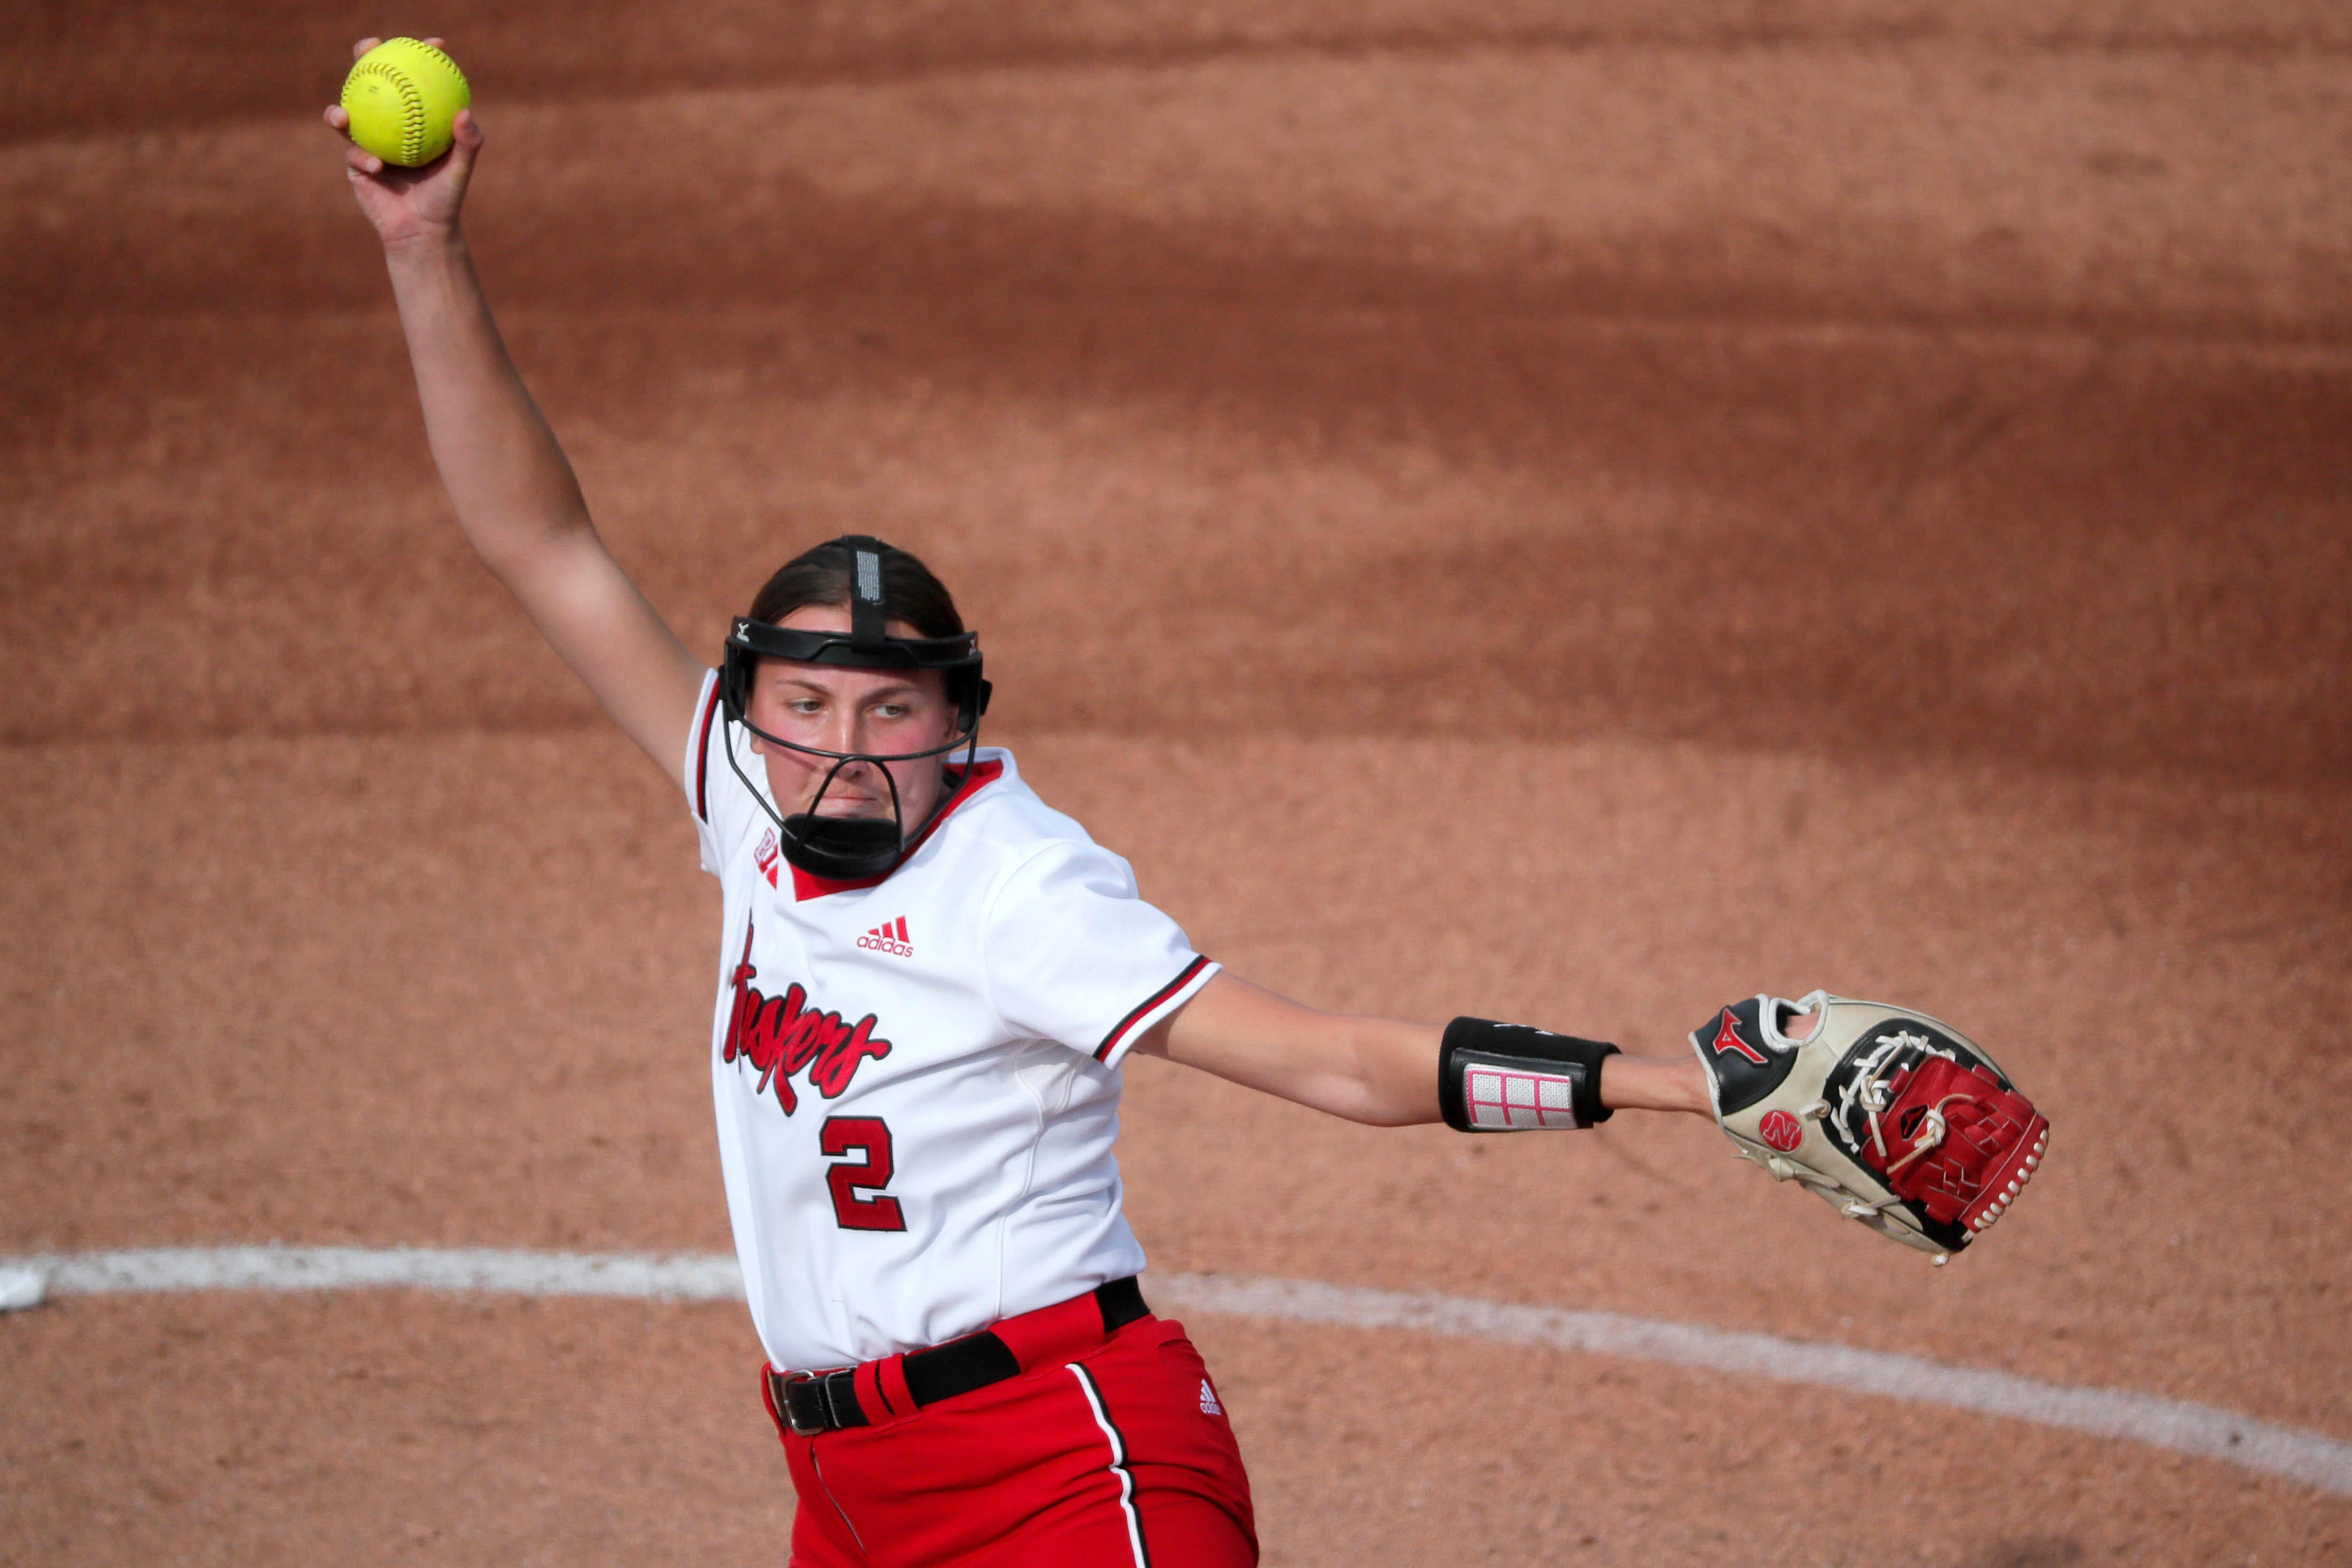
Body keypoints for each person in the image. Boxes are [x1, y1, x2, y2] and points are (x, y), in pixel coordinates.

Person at [327, 44, 1719, 1567]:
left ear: (953, 724)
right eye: (806, 708)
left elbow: (1334, 1064)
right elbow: (542, 543)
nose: (848, 753)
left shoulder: (1016, 889)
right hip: (845, 1494)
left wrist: (1669, 1083)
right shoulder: (747, 797)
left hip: (1064, 1468)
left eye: (892, 712)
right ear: (755, 714)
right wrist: (425, 248)